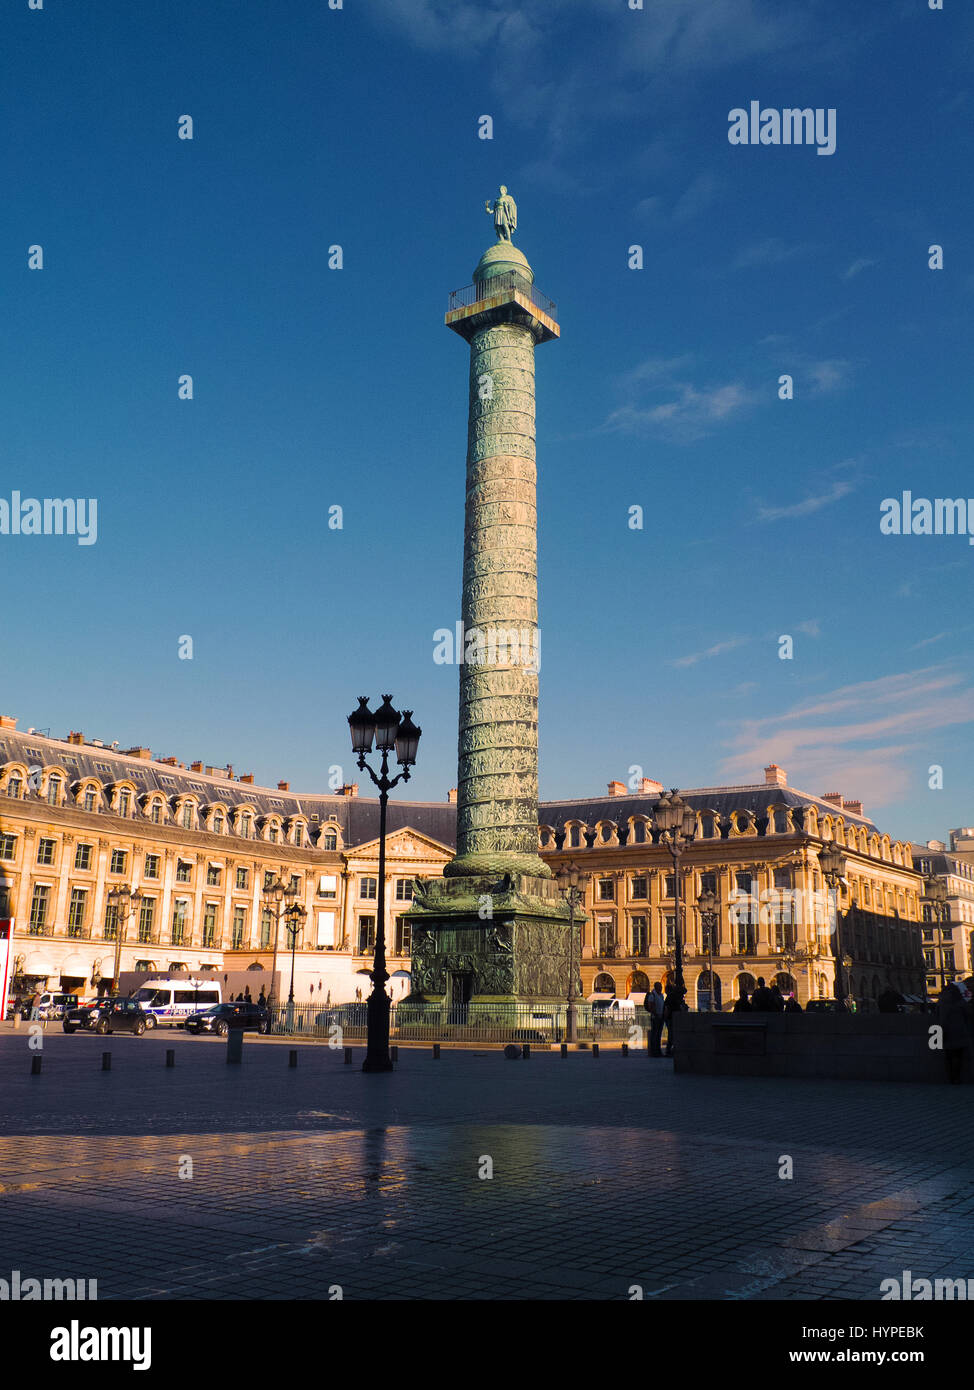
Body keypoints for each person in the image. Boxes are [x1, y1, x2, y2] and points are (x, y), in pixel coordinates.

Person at [937, 983, 972, 1084]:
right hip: (959, 1031)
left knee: (948, 1056)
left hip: (944, 1031)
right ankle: (956, 1078)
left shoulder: (941, 1002)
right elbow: (968, 1013)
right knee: (958, 1056)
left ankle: (950, 1077)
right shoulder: (960, 1001)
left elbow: (937, 1014)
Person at [663, 979, 686, 1057]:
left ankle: (669, 1051)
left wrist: (665, 1017)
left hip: (670, 1018)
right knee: (673, 1034)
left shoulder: (669, 997)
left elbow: (666, 1008)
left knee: (671, 1035)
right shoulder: (675, 997)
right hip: (675, 1017)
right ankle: (672, 1050)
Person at [646, 981, 665, 1057]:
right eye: (660, 987)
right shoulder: (652, 995)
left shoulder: (661, 995)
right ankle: (654, 1051)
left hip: (661, 1017)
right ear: (656, 987)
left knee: (658, 1035)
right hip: (655, 1017)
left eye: (661, 986)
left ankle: (658, 1051)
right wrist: (656, 1014)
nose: (661, 988)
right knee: (655, 1035)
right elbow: (651, 1006)